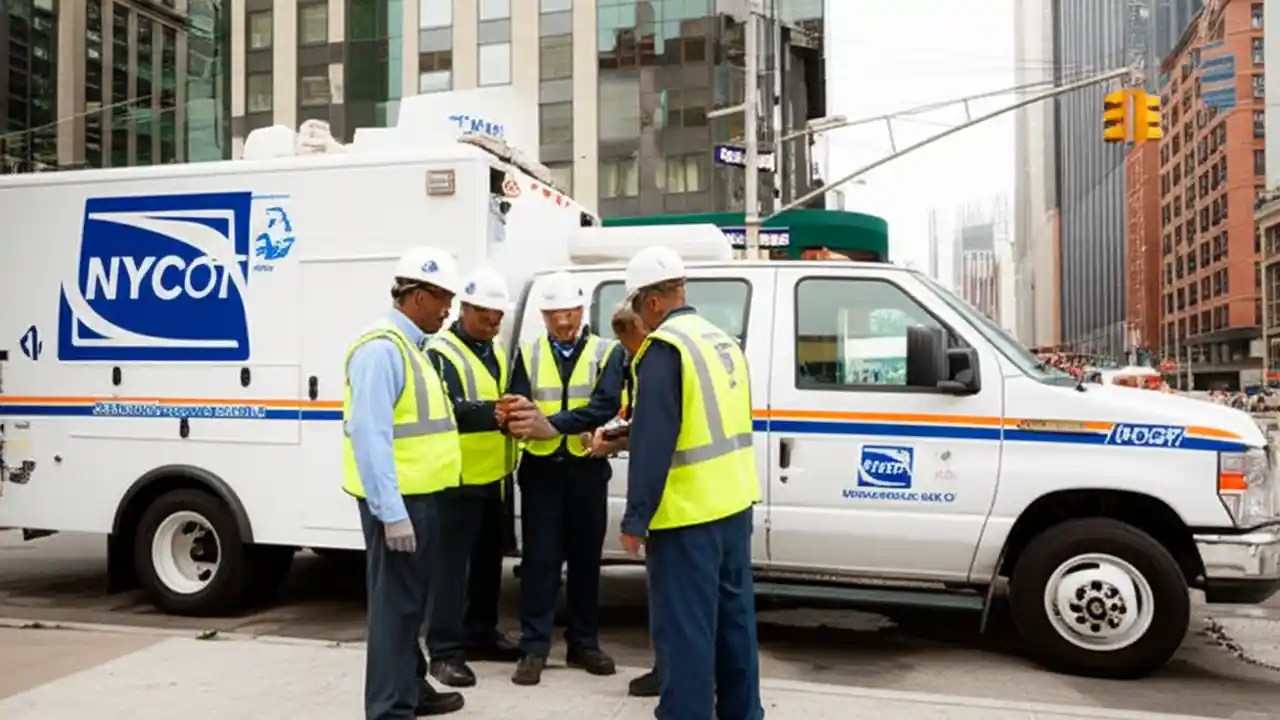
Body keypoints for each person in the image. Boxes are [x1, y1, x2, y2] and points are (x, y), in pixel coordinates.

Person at [620, 246, 764, 720]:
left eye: (637, 308)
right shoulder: (721, 341)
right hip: (734, 504)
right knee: (735, 626)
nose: (638, 320)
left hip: (687, 517)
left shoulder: (665, 350)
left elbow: (655, 442)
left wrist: (635, 518)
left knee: (686, 636)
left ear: (653, 302)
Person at [343, 247, 466, 718]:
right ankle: (390, 708)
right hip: (401, 505)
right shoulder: (381, 349)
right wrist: (391, 512)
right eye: (442, 299)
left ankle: (411, 686)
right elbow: (369, 436)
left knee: (412, 605)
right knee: (396, 610)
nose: (447, 309)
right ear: (416, 296)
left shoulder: (411, 348)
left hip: (421, 497)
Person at [503, 271, 625, 686]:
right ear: (543, 315)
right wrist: (534, 425)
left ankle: (584, 644)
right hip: (540, 473)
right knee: (539, 562)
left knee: (587, 562)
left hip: (587, 470)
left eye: (570, 313)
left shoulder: (607, 352)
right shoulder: (528, 351)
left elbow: (604, 404)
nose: (564, 323)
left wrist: (550, 425)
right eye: (555, 315)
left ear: (582, 311)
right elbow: (520, 405)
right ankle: (534, 648)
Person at [423, 265, 523, 689]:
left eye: (499, 314)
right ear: (464, 308)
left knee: (486, 564)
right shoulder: (440, 352)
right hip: (456, 479)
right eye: (486, 313)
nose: (493, 321)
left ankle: (480, 634)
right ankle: (444, 653)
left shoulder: (496, 349)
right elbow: (447, 409)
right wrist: (496, 413)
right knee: (450, 571)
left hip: (493, 475)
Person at [586, 304, 660, 699]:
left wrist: (609, 437)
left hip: (674, 497)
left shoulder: (657, 362)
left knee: (673, 597)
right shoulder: (642, 361)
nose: (628, 353)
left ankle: (671, 673)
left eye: (630, 345)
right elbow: (630, 414)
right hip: (692, 499)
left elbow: (647, 426)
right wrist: (610, 431)